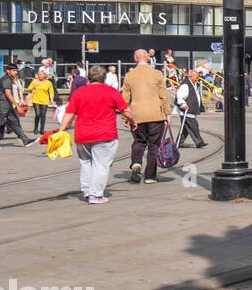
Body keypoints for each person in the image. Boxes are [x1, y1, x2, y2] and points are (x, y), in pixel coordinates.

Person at [55, 64, 134, 204]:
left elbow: (69, 113)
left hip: (82, 134)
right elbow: (125, 110)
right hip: (105, 134)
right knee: (101, 164)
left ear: (89, 78)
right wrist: (132, 120)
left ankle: (86, 190)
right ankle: (96, 194)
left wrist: (61, 130)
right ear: (104, 78)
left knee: (85, 162)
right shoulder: (111, 92)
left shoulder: (79, 93)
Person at [120, 49, 172, 183]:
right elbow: (163, 95)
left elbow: (125, 98)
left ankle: (136, 163)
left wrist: (125, 117)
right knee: (154, 145)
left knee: (139, 141)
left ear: (135, 59)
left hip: (137, 115)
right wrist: (168, 114)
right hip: (156, 114)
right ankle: (150, 176)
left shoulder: (129, 76)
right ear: (148, 59)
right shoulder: (157, 74)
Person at [0, 64, 33, 146]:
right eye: (14, 71)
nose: (16, 72)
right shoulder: (6, 80)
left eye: (16, 71)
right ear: (8, 71)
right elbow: (8, 94)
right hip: (3, 104)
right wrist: (17, 105)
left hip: (8, 105)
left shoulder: (8, 79)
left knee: (14, 122)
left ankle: (25, 140)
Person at [174, 68, 209, 149]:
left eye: (198, 78)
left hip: (190, 111)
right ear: (190, 76)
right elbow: (179, 96)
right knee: (194, 126)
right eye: (196, 77)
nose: (197, 79)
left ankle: (179, 142)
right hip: (186, 111)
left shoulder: (192, 84)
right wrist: (183, 104)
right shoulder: (185, 85)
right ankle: (199, 142)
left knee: (186, 128)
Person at [26, 69, 56, 137]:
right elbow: (28, 89)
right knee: (38, 114)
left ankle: (42, 129)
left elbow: (51, 91)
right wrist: (34, 86)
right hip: (36, 100)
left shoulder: (48, 83)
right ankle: (35, 128)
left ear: (44, 75)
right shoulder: (35, 81)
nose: (39, 76)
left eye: (40, 75)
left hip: (44, 100)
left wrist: (51, 99)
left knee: (43, 115)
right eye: (38, 74)